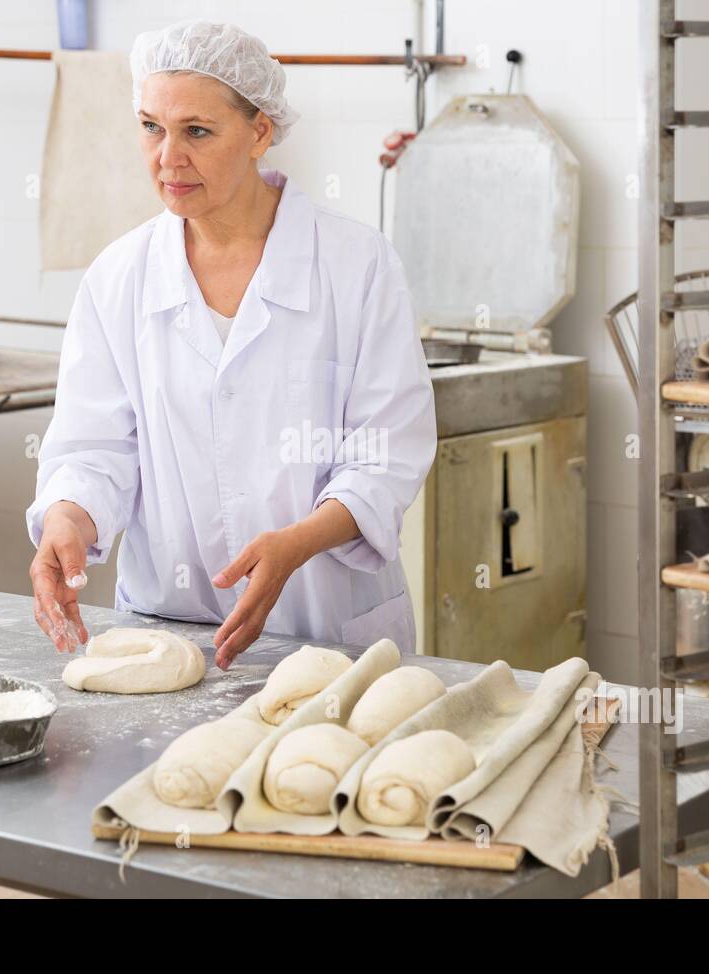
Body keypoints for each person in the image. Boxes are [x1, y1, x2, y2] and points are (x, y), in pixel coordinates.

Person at [26, 20, 436, 668]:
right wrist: (66, 524)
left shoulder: (356, 265)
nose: (167, 158)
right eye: (150, 126)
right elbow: (94, 449)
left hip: (327, 632)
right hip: (166, 635)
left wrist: (298, 543)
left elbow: (384, 456)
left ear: (259, 132)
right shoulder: (118, 278)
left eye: (197, 131)